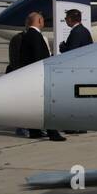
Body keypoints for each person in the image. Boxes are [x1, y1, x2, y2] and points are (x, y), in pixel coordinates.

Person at [18, 12, 65, 142]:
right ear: (39, 21)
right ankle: (52, 132)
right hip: (38, 77)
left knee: (34, 106)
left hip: (29, 76)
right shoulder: (36, 36)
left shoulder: (27, 35)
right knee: (47, 106)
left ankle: (35, 131)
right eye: (43, 20)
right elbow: (40, 58)